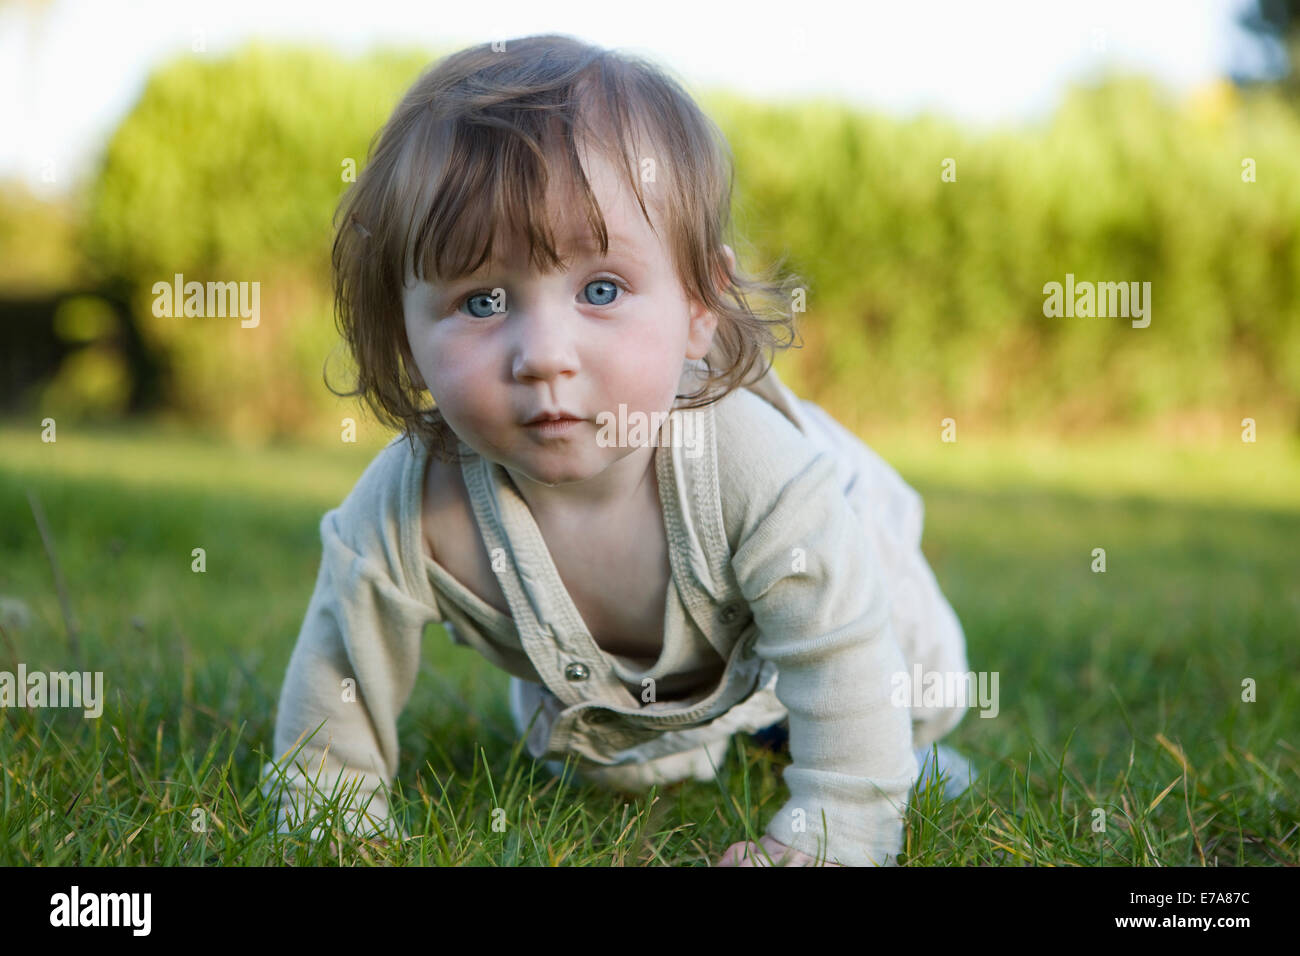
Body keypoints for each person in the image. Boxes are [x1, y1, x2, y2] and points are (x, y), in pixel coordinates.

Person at [261, 33, 974, 867]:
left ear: (700, 303)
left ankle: (897, 763)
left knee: (895, 688)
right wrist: (333, 817)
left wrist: (837, 832)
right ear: (406, 332)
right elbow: (338, 670)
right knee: (621, 766)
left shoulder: (754, 469)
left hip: (849, 564)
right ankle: (726, 735)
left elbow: (840, 645)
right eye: (481, 300)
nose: (544, 354)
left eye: (601, 290)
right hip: (631, 672)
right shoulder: (415, 509)